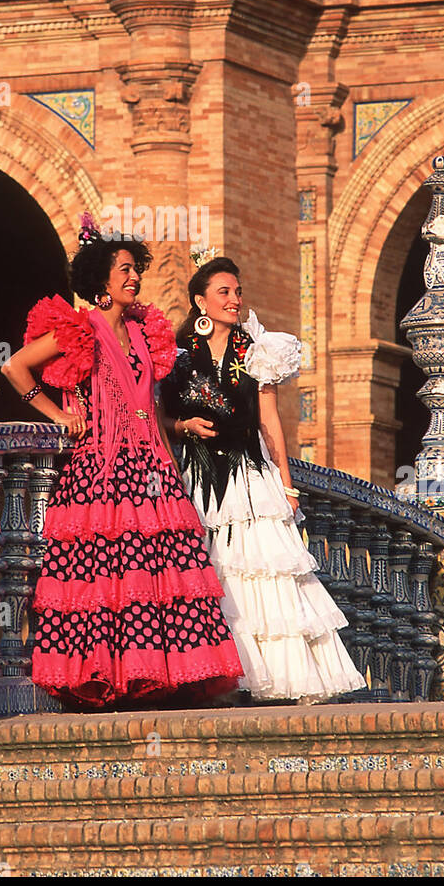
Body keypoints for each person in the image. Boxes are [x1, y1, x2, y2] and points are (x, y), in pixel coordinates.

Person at [1, 216, 243, 708]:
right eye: (125, 270)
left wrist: (172, 442)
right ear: (102, 279)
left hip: (150, 465)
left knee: (160, 573)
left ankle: (162, 676)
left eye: (136, 270)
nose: (134, 278)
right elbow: (14, 365)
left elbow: (149, 404)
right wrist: (56, 414)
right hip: (101, 466)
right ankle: (108, 676)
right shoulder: (79, 328)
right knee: (106, 576)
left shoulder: (143, 331)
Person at [160, 255, 365, 704]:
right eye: (224, 292)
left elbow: (270, 423)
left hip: (250, 480)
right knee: (215, 574)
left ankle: (274, 679)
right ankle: (218, 677)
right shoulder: (176, 358)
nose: (234, 300)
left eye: (237, 292)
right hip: (196, 480)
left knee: (263, 573)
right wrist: (183, 428)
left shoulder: (258, 350)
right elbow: (161, 418)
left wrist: (287, 486)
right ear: (201, 302)